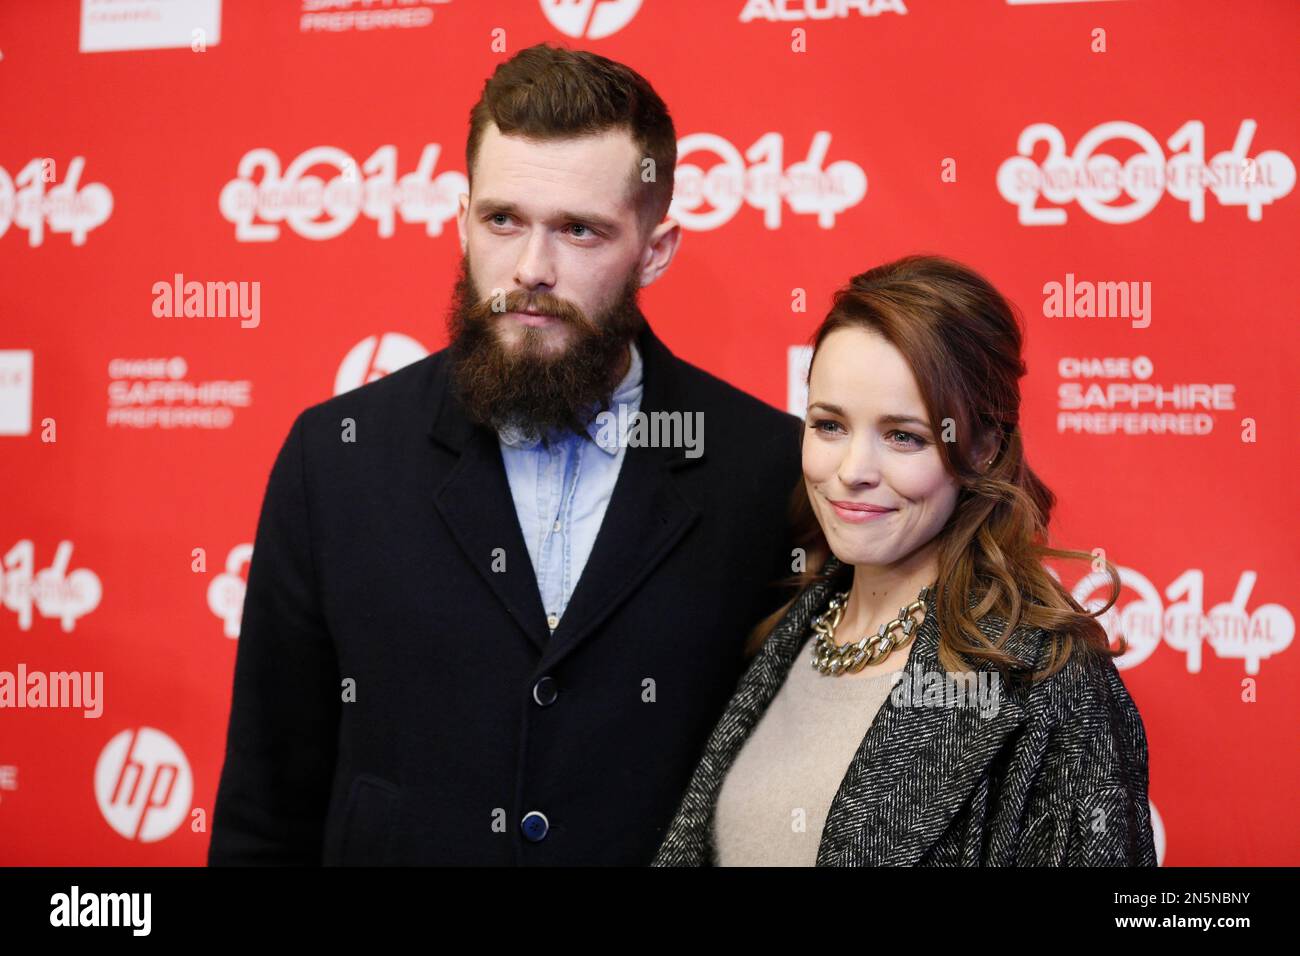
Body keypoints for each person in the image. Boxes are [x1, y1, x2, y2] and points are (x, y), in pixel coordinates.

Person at [208, 44, 802, 865]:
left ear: (655, 251)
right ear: (461, 222)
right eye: (503, 220)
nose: (531, 269)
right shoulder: (337, 457)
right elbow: (267, 805)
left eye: (580, 231)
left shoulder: (767, 467)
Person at [652, 254, 1158, 867]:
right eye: (830, 425)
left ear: (985, 447)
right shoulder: (790, 629)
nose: (852, 473)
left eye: (904, 437)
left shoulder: (1049, 680)